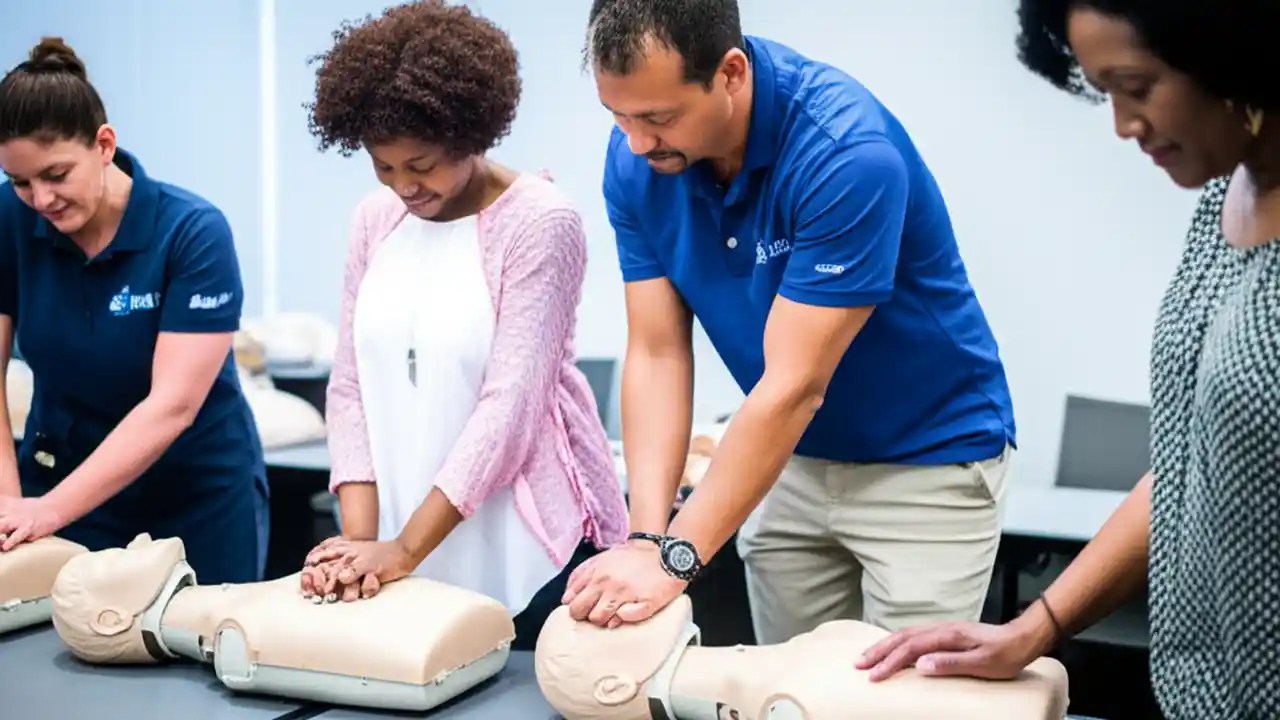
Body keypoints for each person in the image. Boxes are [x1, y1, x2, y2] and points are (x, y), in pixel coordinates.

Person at [857, 2, 1280, 718]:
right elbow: (1190, 465)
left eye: (1138, 87)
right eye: (1102, 90)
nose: (1123, 124)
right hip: (1205, 697)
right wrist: (1033, 629)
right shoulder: (1222, 202)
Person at [563, 0, 1018, 643]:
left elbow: (794, 385)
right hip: (787, 459)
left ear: (731, 73)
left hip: (925, 462)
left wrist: (675, 560)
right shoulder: (637, 161)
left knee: (903, 699)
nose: (637, 143)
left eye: (659, 118)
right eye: (620, 116)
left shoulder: (846, 154)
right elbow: (659, 352)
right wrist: (644, 538)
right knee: (788, 695)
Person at [297, 0, 628, 650]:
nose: (403, 186)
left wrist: (402, 548)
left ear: (474, 135)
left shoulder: (539, 222)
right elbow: (349, 386)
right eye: (383, 166)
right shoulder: (375, 219)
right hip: (408, 541)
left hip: (532, 546)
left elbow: (509, 410)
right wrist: (362, 544)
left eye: (421, 165)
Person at [0, 38, 269, 584]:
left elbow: (171, 406)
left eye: (56, 175)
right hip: (65, 481)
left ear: (104, 144)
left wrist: (45, 511)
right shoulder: (10, 220)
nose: (41, 200)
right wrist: (10, 509)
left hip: (195, 494)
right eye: (21, 181)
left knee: (203, 654)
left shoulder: (192, 231)